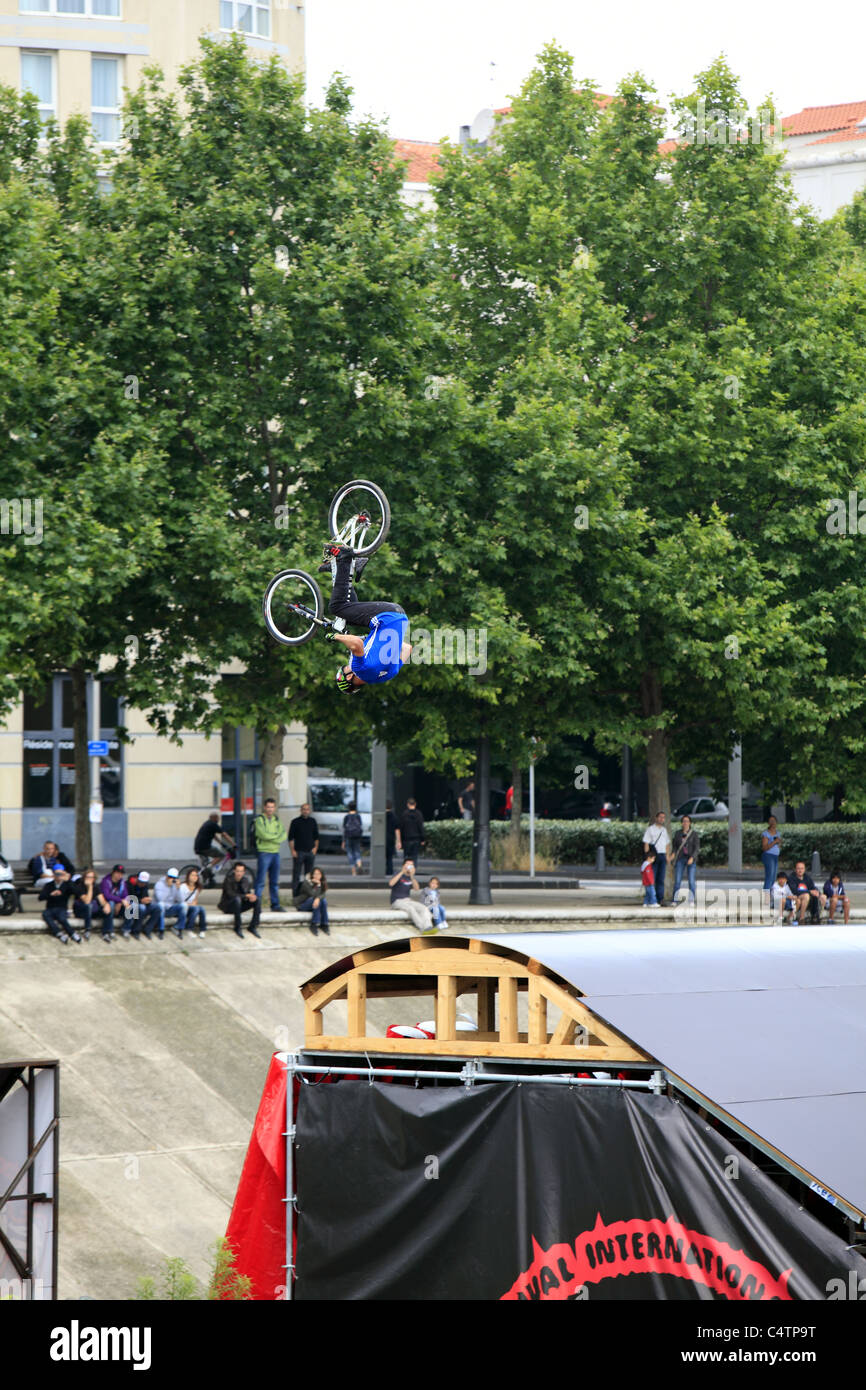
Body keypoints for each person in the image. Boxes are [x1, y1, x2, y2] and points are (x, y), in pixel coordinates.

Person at [321, 545, 412, 693]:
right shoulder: (360, 670)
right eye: (345, 668)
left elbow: (407, 648)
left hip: (400, 618)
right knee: (337, 607)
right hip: (386, 616)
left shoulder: (387, 676)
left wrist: (382, 642)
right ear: (349, 677)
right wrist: (335, 636)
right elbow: (356, 644)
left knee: (348, 612)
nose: (347, 665)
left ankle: (342, 573)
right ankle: (345, 558)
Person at [253, 798, 287, 912]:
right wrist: (275, 837)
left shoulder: (277, 820)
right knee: (261, 880)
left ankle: (275, 904)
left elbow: (284, 834)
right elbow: (263, 835)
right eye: (268, 807)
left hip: (275, 853)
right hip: (264, 852)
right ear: (264, 807)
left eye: (272, 807)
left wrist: (273, 838)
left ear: (275, 808)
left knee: (274, 881)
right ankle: (256, 904)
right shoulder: (259, 820)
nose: (270, 809)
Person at [38, 863, 82, 944]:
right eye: (56, 874)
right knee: (46, 915)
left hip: (62, 908)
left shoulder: (67, 885)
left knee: (62, 918)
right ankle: (58, 933)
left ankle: (72, 933)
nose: (58, 876)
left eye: (60, 874)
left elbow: (77, 892)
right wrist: (50, 894)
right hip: (50, 908)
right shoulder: (49, 885)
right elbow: (40, 897)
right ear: (53, 874)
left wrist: (68, 880)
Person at [219, 861, 262, 939]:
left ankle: (253, 926)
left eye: (241, 871)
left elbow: (247, 894)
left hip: (240, 905)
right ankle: (238, 927)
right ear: (234, 871)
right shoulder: (228, 880)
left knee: (257, 900)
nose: (239, 873)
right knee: (237, 899)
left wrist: (251, 897)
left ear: (244, 872)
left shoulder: (245, 880)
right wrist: (245, 895)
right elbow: (230, 894)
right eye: (238, 871)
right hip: (228, 906)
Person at [388, 860, 433, 933]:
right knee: (411, 909)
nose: (409, 866)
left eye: (411, 865)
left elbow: (417, 888)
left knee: (424, 908)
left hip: (408, 900)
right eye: (407, 864)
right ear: (403, 865)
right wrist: (402, 872)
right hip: (396, 901)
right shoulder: (397, 874)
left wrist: (412, 876)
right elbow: (391, 884)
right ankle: (422, 928)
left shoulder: (410, 877)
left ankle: (429, 927)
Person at [97, 864, 132, 943]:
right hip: (105, 906)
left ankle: (126, 929)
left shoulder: (122, 883)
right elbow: (107, 895)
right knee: (111, 904)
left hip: (118, 906)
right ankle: (107, 931)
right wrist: (119, 900)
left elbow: (125, 895)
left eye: (121, 873)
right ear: (113, 872)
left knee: (132, 904)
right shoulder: (106, 881)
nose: (119, 875)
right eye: (117, 872)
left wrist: (122, 902)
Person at [288, 803, 319, 890]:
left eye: (307, 809)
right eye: (304, 809)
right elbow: (290, 838)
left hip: (310, 852)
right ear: (301, 810)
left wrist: (315, 848)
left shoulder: (313, 821)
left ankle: (308, 895)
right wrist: (292, 851)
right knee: (296, 875)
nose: (305, 811)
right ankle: (295, 895)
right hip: (299, 852)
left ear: (309, 811)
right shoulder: (295, 822)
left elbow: (316, 837)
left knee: (309, 876)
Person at [642, 812, 671, 904]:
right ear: (656, 818)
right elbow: (646, 843)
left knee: (661, 879)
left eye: (663, 817)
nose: (662, 819)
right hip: (653, 856)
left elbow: (667, 843)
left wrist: (667, 855)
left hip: (662, 855)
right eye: (660, 817)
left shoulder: (664, 830)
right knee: (651, 879)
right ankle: (651, 899)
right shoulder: (650, 829)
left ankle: (660, 899)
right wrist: (647, 857)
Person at [293, 866, 330, 936]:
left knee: (323, 901)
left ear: (321, 875)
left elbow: (323, 895)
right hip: (302, 905)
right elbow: (313, 894)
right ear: (312, 875)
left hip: (313, 904)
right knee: (315, 900)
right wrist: (318, 886)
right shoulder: (306, 883)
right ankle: (314, 924)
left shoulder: (321, 883)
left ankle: (324, 924)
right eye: (315, 874)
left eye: (319, 874)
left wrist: (318, 898)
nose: (316, 876)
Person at [152, 868, 188, 939]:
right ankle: (160, 930)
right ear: (167, 876)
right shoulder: (159, 884)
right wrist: (168, 887)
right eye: (170, 877)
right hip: (159, 909)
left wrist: (178, 889)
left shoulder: (175, 885)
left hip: (170, 908)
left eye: (174, 878)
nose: (172, 879)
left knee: (184, 905)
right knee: (161, 904)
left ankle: (178, 927)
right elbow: (160, 899)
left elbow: (181, 900)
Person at [671, 815, 700, 904]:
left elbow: (697, 848)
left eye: (687, 821)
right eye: (684, 821)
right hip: (680, 858)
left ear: (690, 823)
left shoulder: (694, 834)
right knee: (677, 881)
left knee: (691, 881)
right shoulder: (677, 833)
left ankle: (691, 900)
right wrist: (673, 854)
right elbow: (675, 846)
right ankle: (675, 900)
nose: (685, 823)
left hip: (691, 859)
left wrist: (692, 857)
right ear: (681, 823)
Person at [125, 870, 158, 940]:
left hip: (141, 904)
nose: (142, 884)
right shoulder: (129, 884)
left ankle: (148, 929)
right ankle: (135, 931)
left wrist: (148, 900)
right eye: (141, 882)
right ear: (137, 879)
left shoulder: (145, 886)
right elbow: (129, 898)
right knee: (142, 908)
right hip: (131, 905)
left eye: (144, 883)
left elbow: (145, 896)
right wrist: (140, 901)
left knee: (158, 907)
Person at [72, 868, 99, 941]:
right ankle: (87, 929)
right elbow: (87, 901)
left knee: (108, 906)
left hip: (91, 911)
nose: (89, 879)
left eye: (91, 877)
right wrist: (90, 887)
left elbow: (102, 899)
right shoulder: (79, 887)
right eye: (87, 877)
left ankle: (107, 931)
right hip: (80, 911)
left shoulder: (96, 887)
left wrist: (106, 905)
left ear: (94, 879)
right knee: (88, 905)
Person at [180, 868, 207, 937]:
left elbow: (195, 900)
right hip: (183, 907)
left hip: (191, 907)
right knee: (196, 909)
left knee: (202, 909)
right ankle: (189, 929)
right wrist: (190, 904)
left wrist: (193, 904)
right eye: (192, 875)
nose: (195, 877)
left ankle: (202, 930)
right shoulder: (183, 886)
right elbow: (180, 901)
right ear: (188, 876)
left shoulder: (197, 888)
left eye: (196, 875)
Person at [761, 816, 782, 902]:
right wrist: (774, 842)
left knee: (773, 877)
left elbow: (779, 845)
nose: (772, 822)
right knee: (769, 876)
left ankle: (771, 895)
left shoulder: (778, 833)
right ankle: (766, 897)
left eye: (774, 821)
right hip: (768, 856)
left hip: (775, 856)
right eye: (770, 821)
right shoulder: (766, 834)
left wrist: (779, 844)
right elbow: (765, 847)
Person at [399, 798, 425, 867]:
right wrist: (423, 839)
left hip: (406, 839)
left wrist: (400, 840)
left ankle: (406, 870)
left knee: (406, 856)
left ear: (407, 804)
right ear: (415, 804)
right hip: (416, 838)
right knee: (414, 856)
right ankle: (413, 870)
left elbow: (401, 827)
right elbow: (421, 827)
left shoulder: (404, 814)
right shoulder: (419, 814)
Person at [342, 803, 363, 876]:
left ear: (349, 808)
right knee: (357, 851)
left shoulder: (347, 817)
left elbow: (344, 829)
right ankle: (359, 864)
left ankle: (353, 871)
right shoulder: (358, 816)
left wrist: (343, 841)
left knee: (350, 853)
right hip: (357, 836)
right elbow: (360, 826)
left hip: (348, 836)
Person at [385, 800, 398, 876]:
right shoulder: (394, 817)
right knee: (389, 858)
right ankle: (389, 872)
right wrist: (398, 841)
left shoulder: (381, 816)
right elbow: (397, 830)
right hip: (391, 839)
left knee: (381, 857)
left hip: (382, 839)